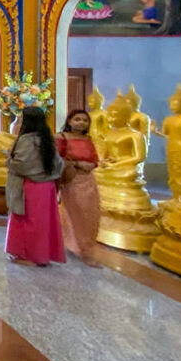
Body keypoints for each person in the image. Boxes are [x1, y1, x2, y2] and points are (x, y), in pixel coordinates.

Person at [4, 106, 65, 266]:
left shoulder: (26, 139)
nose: (18, 123)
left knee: (28, 221)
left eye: (21, 119)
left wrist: (8, 160)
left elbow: (21, 164)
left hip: (30, 186)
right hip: (47, 187)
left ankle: (27, 255)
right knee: (43, 222)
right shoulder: (47, 138)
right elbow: (58, 164)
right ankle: (42, 255)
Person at [56, 109, 102, 267]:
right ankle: (85, 251)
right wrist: (76, 164)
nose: (81, 123)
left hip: (89, 180)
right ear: (69, 121)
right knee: (78, 216)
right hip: (72, 180)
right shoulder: (61, 138)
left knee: (92, 215)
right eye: (77, 119)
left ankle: (80, 246)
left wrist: (91, 164)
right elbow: (57, 159)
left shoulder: (88, 139)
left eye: (85, 120)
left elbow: (95, 159)